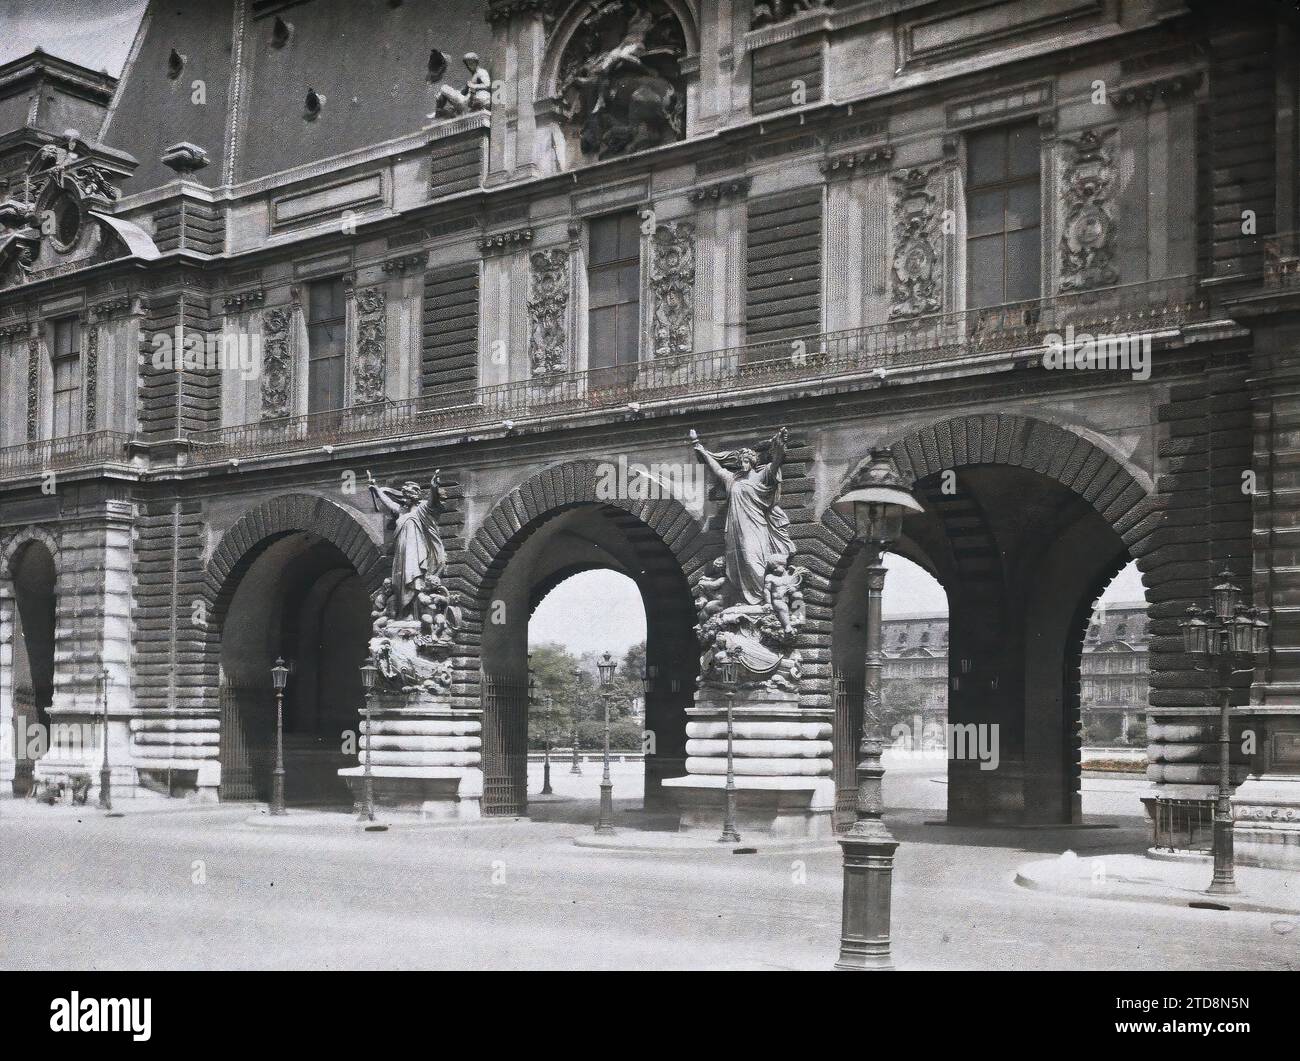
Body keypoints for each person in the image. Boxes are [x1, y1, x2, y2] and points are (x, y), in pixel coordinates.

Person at [691, 426, 794, 606]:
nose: (743, 462)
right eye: (741, 460)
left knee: (752, 558)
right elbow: (716, 468)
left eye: (747, 459)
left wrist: (780, 446)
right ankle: (743, 600)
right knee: (735, 562)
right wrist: (699, 447)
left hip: (755, 525)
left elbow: (777, 461)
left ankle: (762, 599)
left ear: (753, 461)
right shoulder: (732, 479)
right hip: (734, 528)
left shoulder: (762, 475)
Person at [367, 471, 446, 621]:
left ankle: (415, 614)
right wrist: (376, 489)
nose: (405, 498)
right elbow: (389, 503)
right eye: (404, 496)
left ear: (413, 496)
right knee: (401, 581)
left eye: (407, 496)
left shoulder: (422, 509)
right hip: (402, 553)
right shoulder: (402, 511)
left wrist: (434, 486)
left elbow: (432, 500)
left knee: (415, 578)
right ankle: (403, 615)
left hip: (416, 552)